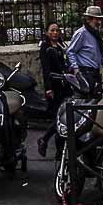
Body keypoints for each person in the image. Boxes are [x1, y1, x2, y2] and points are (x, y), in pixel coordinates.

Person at [36, 23, 69, 158]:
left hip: (65, 86)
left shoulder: (61, 46)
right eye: (52, 30)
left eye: (57, 30)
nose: (55, 33)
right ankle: (45, 140)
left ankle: (58, 150)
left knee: (65, 118)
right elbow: (46, 69)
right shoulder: (45, 47)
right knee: (58, 119)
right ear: (47, 32)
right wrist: (49, 88)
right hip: (54, 86)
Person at [66, 5, 103, 89]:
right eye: (96, 19)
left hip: (95, 73)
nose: (99, 22)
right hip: (85, 73)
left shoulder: (95, 34)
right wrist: (76, 70)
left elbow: (102, 53)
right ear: (88, 20)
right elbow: (70, 52)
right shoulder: (82, 33)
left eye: (99, 19)